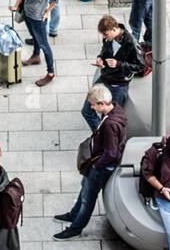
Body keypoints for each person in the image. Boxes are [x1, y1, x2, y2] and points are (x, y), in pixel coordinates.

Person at [54, 84, 127, 239]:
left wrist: (95, 165)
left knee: (88, 198)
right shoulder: (116, 111)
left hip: (100, 168)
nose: (92, 108)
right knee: (84, 188)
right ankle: (74, 214)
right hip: (98, 164)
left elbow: (111, 153)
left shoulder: (110, 125)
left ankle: (75, 228)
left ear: (102, 103)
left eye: (93, 104)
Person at [80, 15, 143, 129]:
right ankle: (101, 134)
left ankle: (107, 136)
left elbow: (140, 66)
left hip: (118, 84)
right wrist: (100, 59)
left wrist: (119, 64)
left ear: (114, 29)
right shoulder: (108, 38)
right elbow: (104, 52)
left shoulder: (131, 42)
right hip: (105, 78)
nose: (104, 37)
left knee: (111, 118)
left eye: (106, 34)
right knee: (87, 111)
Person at [12, 0, 59, 87]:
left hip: (38, 18)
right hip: (27, 14)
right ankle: (36, 56)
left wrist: (48, 10)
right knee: (34, 36)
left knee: (45, 45)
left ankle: (50, 73)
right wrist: (16, 6)